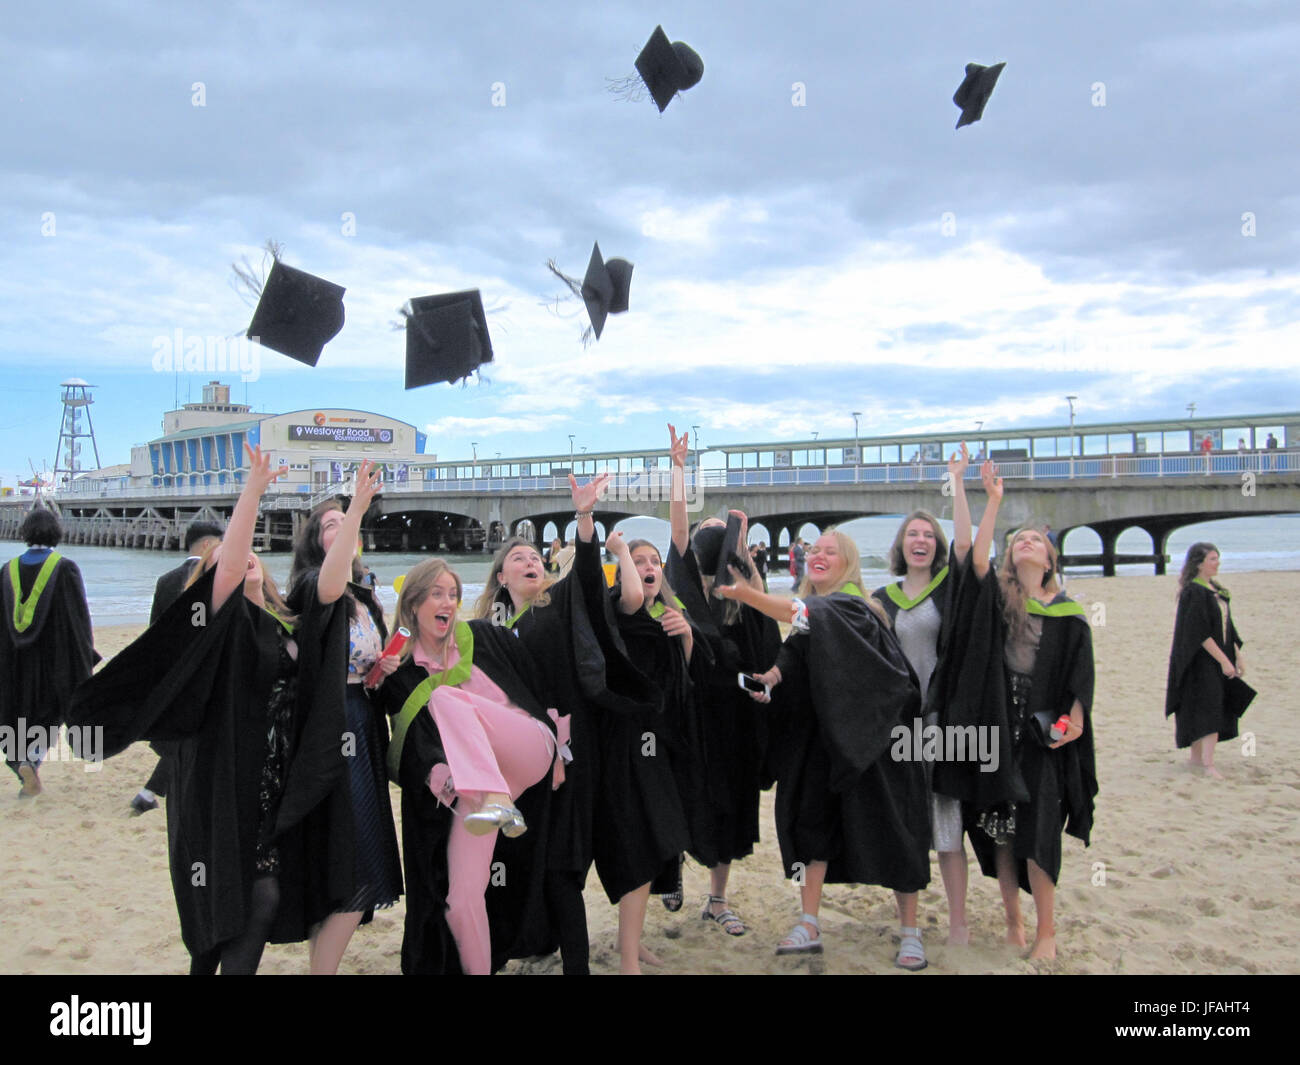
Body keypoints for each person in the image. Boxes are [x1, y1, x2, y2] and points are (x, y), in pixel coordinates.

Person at [68, 445, 351, 973]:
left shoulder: (285, 621)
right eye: (221, 558)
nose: (239, 559)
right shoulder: (218, 625)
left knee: (261, 897)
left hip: (267, 784)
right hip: (215, 782)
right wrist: (253, 491)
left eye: (247, 555)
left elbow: (334, 584)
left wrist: (353, 513)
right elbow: (227, 568)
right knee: (222, 908)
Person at [473, 473, 655, 975]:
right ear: (501, 578)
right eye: (518, 560)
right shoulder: (488, 630)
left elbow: (591, 577)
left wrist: (584, 519)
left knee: (564, 865)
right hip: (519, 767)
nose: (530, 563)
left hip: (575, 758)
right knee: (529, 863)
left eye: (535, 558)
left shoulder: (559, 606)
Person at [720, 529, 930, 962]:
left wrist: (748, 594)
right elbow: (794, 654)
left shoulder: (854, 605)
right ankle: (809, 921)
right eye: (814, 550)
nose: (818, 555)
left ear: (848, 564)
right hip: (822, 738)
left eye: (830, 552)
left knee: (894, 828)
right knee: (810, 824)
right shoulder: (815, 611)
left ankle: (910, 931)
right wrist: (770, 682)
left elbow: (803, 613)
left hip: (875, 739)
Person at [375, 559, 562, 974]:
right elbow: (409, 747)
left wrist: (562, 750)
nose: (448, 602)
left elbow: (539, 682)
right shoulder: (405, 674)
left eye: (453, 594)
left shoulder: (482, 636)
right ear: (412, 605)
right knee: (461, 900)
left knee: (445, 699)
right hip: (484, 783)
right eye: (437, 594)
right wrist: (379, 678)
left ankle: (495, 799)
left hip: (528, 743)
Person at [946, 461, 1097, 961]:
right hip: (997, 724)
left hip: (1040, 732)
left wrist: (1073, 719)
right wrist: (989, 498)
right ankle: (1012, 922)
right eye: (1019, 539)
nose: (1026, 542)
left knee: (1040, 831)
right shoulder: (1000, 597)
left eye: (1036, 539)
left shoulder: (1070, 613)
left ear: (1051, 558)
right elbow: (974, 556)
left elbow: (1082, 673)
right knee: (1000, 829)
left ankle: (1046, 931)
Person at [663, 425, 780, 937]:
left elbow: (772, 646)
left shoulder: (745, 600)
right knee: (677, 795)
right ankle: (671, 872)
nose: (714, 529)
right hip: (690, 714)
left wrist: (747, 560)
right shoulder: (686, 590)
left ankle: (717, 898)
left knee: (730, 807)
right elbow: (681, 535)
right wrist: (679, 470)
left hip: (732, 718)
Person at [286, 475, 403, 974]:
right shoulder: (316, 585)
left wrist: (381, 671)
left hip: (363, 721)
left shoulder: (364, 593)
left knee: (352, 854)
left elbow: (355, 665)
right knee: (351, 859)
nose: (343, 528)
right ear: (316, 544)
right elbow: (329, 588)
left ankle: (322, 965)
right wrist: (355, 505)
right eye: (329, 526)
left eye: (347, 524)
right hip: (333, 730)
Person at [871, 469, 966, 956]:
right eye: (913, 534)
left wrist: (962, 486)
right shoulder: (882, 598)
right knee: (906, 821)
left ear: (939, 545)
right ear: (901, 545)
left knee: (947, 820)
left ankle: (957, 922)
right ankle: (908, 922)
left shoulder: (952, 590)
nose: (921, 541)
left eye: (929, 535)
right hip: (901, 725)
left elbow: (970, 553)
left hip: (942, 721)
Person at [599, 530, 698, 973]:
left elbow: (685, 679)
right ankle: (628, 958)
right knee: (641, 841)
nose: (649, 567)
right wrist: (619, 550)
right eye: (640, 561)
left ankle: (631, 944)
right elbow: (632, 599)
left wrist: (687, 634)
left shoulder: (667, 614)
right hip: (628, 742)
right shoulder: (623, 609)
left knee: (656, 842)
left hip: (661, 744)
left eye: (654, 560)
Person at [1, 506, 98, 797]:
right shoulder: (65, 567)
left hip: (15, 661)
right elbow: (77, 618)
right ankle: (31, 760)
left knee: (18, 713)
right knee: (51, 712)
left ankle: (22, 764)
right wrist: (84, 656)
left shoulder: (7, 570)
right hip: (53, 659)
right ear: (56, 533)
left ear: (25, 533)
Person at [130, 520, 223, 815]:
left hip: (173, 670)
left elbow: (155, 630)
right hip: (205, 669)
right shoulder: (214, 577)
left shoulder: (166, 580)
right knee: (194, 732)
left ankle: (154, 792)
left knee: (186, 731)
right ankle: (150, 792)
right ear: (208, 545)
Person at [1165, 543, 1246, 780]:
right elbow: (1199, 633)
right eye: (1212, 559)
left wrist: (1238, 656)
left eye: (1217, 558)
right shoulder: (1194, 592)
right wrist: (1223, 661)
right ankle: (1205, 762)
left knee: (1211, 706)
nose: (1217, 562)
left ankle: (1200, 760)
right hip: (1199, 662)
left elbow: (1227, 628)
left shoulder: (1216, 590)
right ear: (1199, 563)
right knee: (1206, 708)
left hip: (1219, 658)